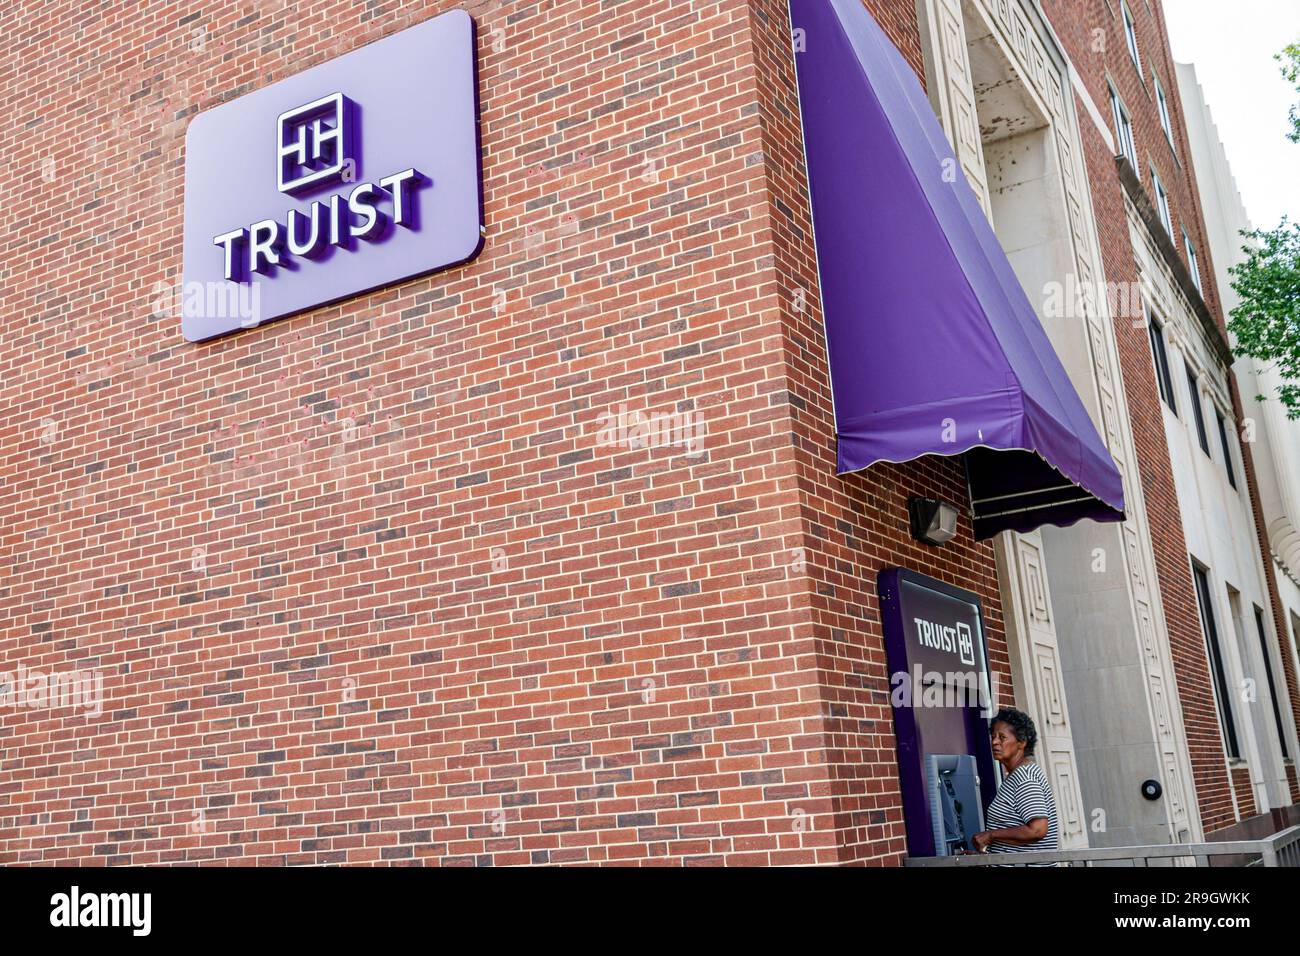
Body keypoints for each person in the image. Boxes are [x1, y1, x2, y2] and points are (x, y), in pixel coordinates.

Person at [971, 707, 1059, 865]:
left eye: (1002, 737)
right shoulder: (1017, 775)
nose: (994, 742)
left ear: (1021, 742)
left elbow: (1038, 830)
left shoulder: (1025, 778)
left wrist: (991, 835)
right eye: (993, 736)